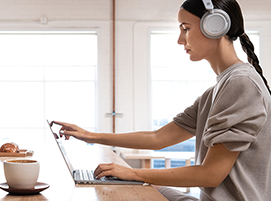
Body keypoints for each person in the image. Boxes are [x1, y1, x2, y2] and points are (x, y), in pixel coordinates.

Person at [51, 0, 271, 200]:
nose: (179, 39)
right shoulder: (218, 90)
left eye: (186, 29)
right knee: (132, 188)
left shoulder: (241, 83)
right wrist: (90, 135)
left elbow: (210, 174)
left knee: (131, 189)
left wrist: (132, 173)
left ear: (215, 26)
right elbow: (158, 137)